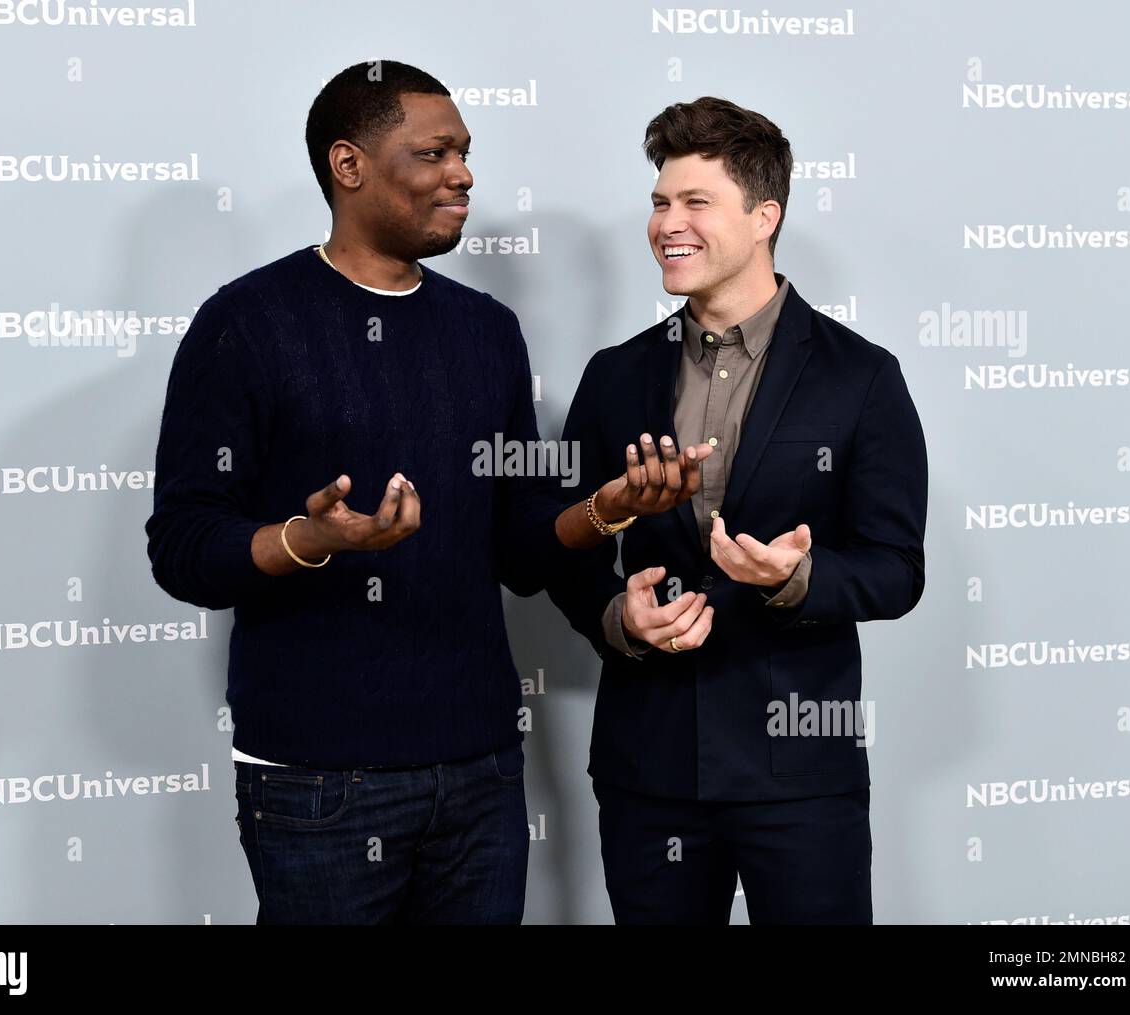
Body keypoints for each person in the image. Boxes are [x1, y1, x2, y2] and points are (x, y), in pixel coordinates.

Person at [144, 60, 711, 924]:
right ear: (349, 165)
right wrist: (312, 537)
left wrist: (609, 507)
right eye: (435, 152)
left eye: (467, 152)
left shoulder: (487, 333)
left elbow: (520, 550)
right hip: (317, 782)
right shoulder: (245, 325)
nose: (464, 173)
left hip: (481, 772)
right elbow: (183, 548)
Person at [546, 96, 928, 924]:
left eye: (694, 203)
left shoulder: (862, 377)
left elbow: (897, 569)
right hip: (648, 771)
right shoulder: (613, 376)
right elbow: (562, 546)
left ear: (765, 217)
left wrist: (796, 578)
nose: (666, 224)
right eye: (658, 202)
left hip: (800, 777)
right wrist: (616, 616)